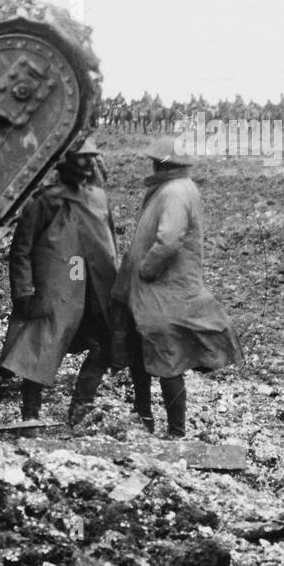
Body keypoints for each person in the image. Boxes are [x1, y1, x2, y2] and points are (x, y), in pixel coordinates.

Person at [111, 136, 242, 437]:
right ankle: (144, 419)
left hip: (163, 290)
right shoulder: (174, 188)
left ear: (163, 163)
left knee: (168, 358)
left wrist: (146, 269)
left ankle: (174, 430)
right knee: (143, 353)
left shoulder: (174, 192)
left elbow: (169, 240)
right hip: (156, 291)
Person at [0, 136, 120, 424]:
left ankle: (81, 406)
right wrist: (24, 289)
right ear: (66, 163)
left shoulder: (99, 199)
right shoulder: (45, 201)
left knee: (105, 344)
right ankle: (31, 415)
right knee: (40, 348)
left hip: (93, 289)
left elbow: (110, 242)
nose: (87, 165)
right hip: (55, 289)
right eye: (81, 159)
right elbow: (21, 249)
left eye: (90, 159)